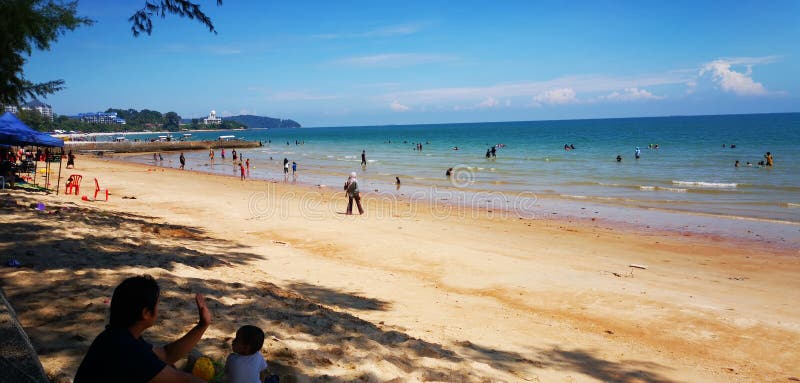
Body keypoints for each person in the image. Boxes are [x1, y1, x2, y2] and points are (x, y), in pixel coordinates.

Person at [74, 275, 212, 383]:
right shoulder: (129, 351)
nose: (159, 309)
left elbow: (166, 355)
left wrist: (202, 325)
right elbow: (185, 381)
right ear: (146, 313)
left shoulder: (115, 336)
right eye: (157, 304)